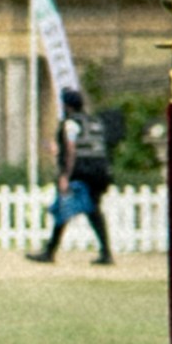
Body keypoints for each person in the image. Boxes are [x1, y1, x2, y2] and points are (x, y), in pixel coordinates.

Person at [29, 85, 114, 265]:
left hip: (81, 172)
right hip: (100, 172)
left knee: (64, 207)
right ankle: (106, 252)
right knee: (93, 212)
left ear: (67, 105)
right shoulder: (94, 121)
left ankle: (49, 251)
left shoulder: (70, 123)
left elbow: (71, 149)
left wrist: (65, 175)